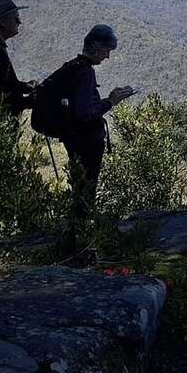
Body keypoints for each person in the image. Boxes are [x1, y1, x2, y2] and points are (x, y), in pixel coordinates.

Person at [56, 24, 137, 259]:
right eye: (106, 50)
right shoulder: (85, 72)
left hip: (74, 139)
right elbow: (85, 112)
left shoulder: (72, 67)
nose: (108, 55)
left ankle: (77, 241)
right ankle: (81, 246)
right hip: (86, 141)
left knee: (80, 189)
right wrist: (110, 101)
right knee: (85, 191)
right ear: (96, 47)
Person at [0, 0, 32, 118]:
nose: (19, 22)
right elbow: (1, 92)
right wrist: (28, 101)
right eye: (16, 18)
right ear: (3, 23)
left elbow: (6, 83)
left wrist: (26, 87)